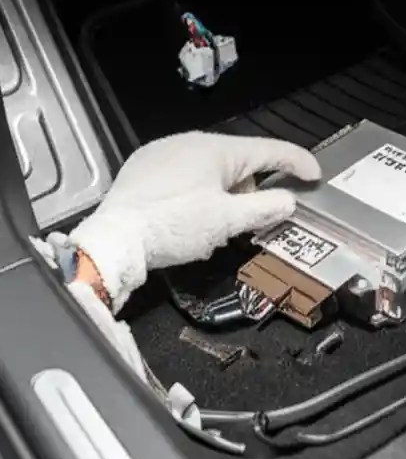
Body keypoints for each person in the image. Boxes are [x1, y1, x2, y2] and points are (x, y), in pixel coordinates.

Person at [36, 132, 322, 388]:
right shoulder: (70, 372)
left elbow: (43, 279)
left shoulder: (20, 267)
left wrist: (119, 233)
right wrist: (143, 228)